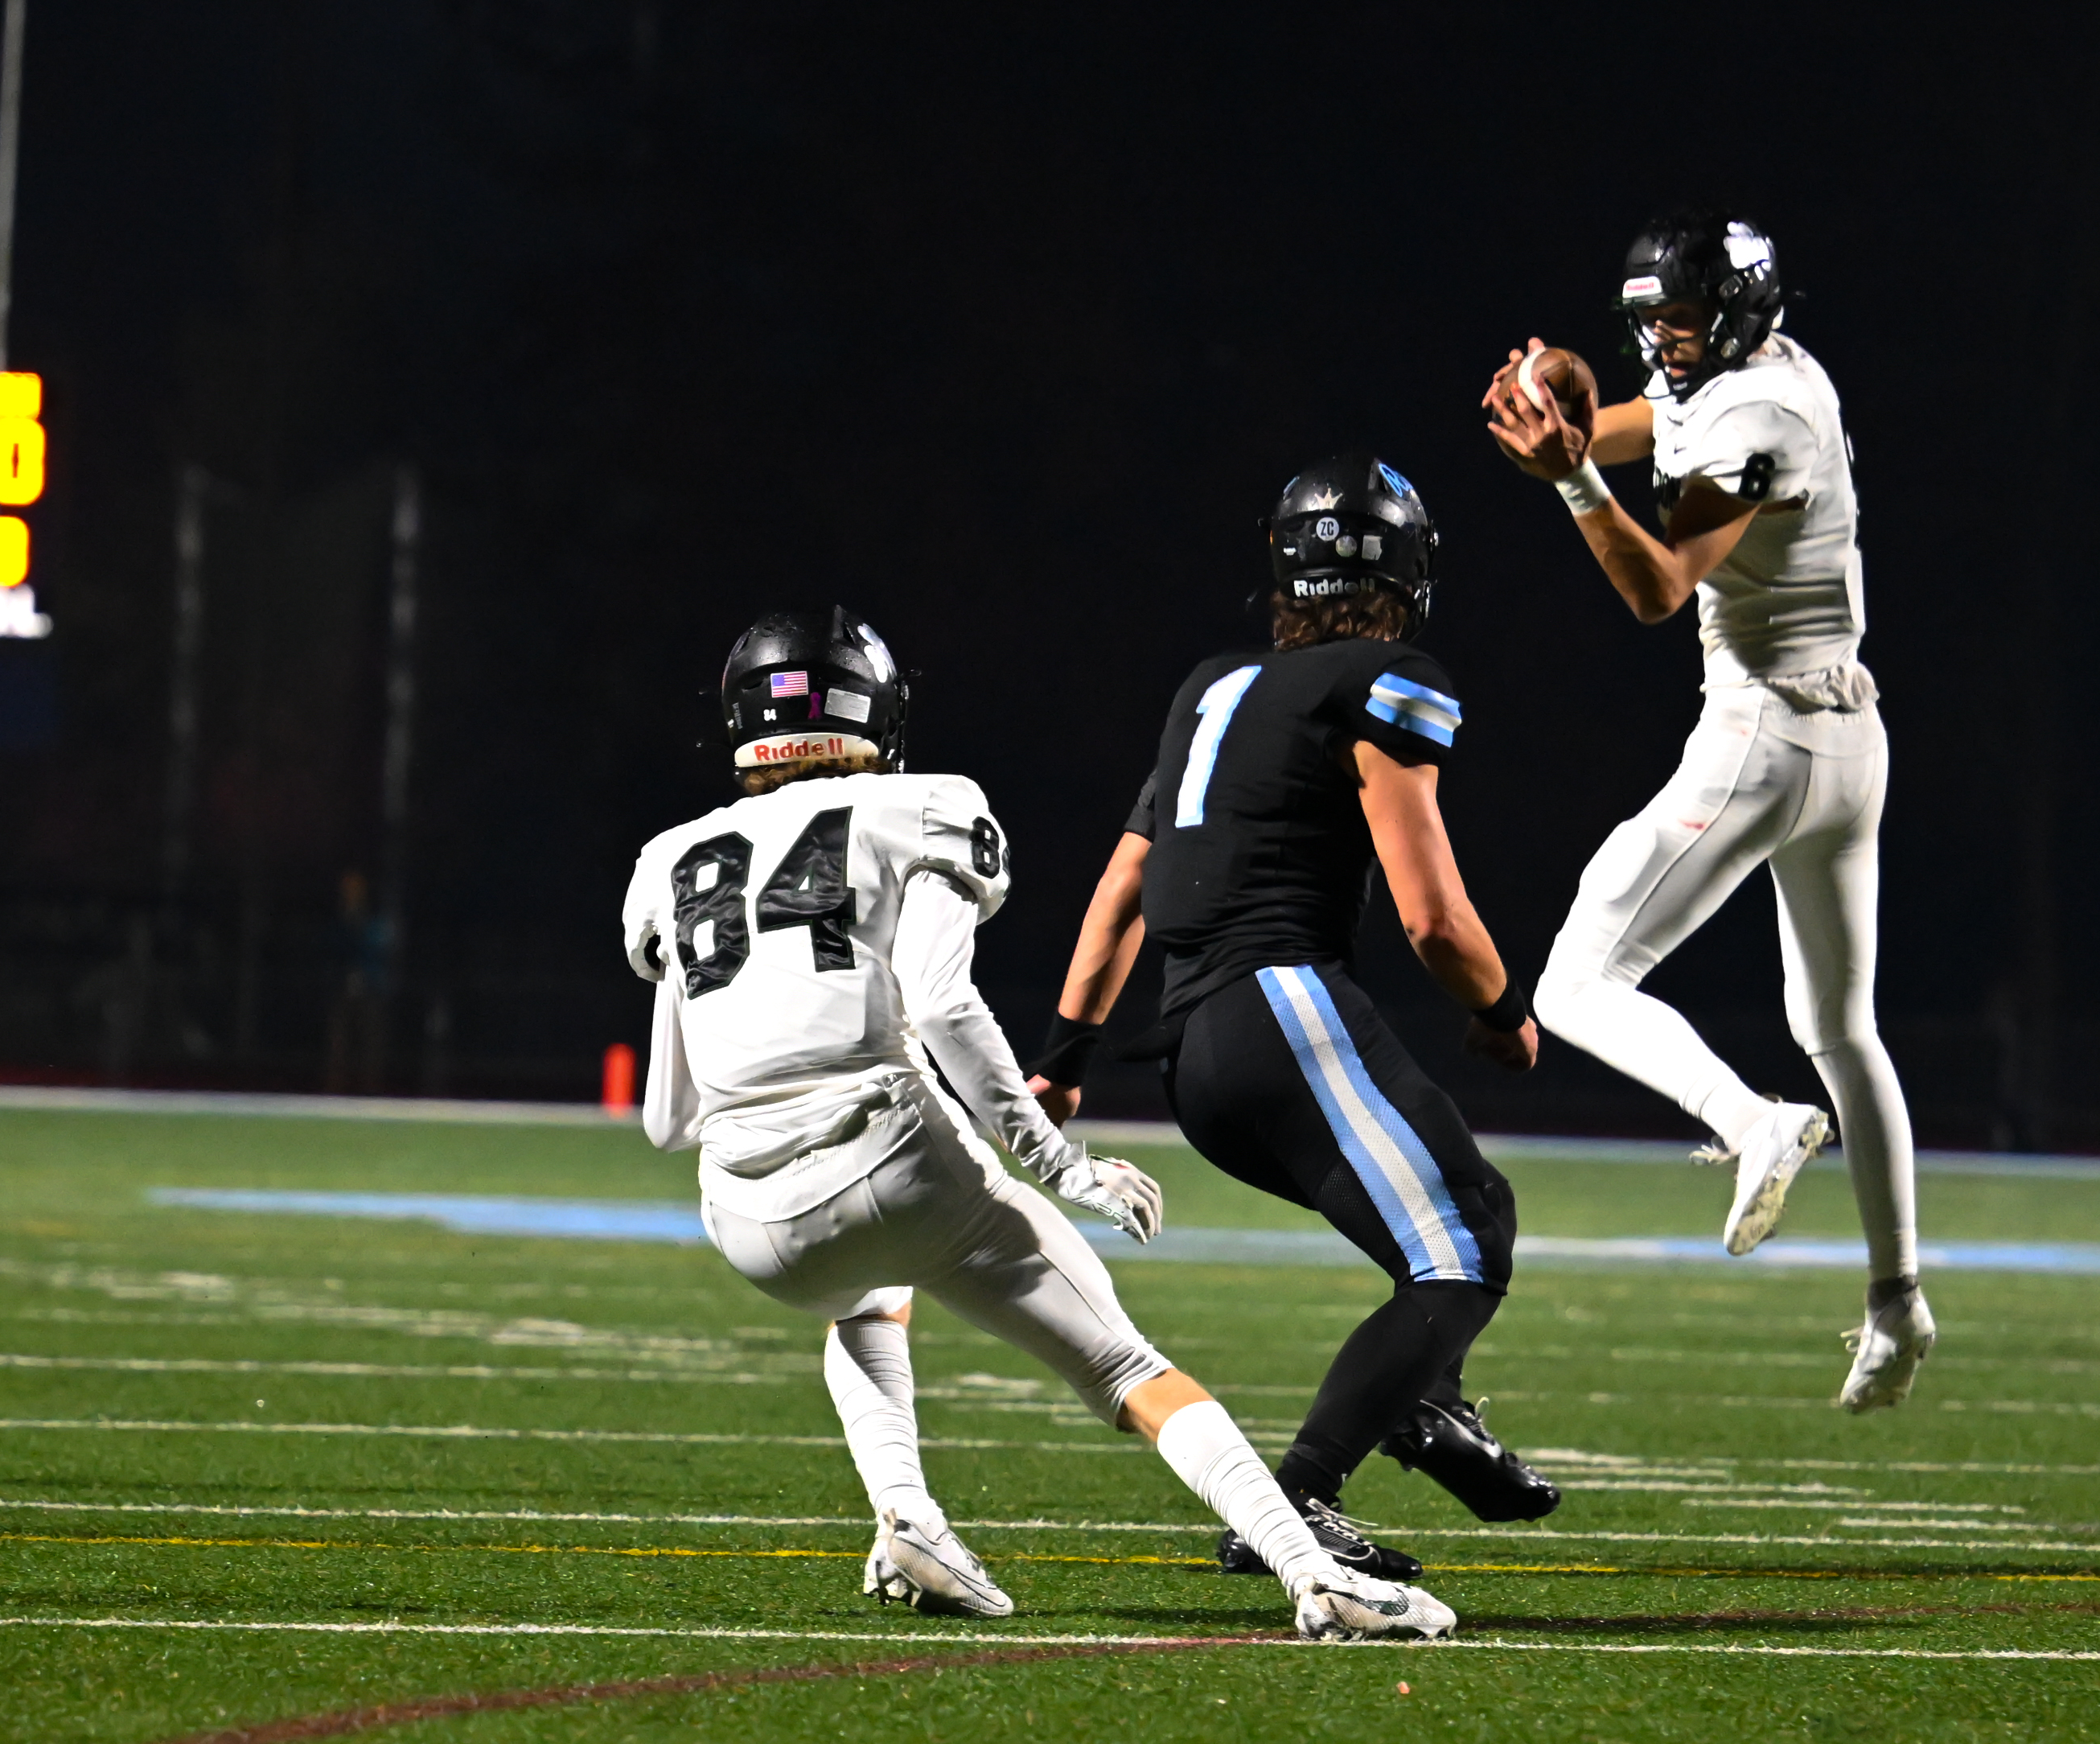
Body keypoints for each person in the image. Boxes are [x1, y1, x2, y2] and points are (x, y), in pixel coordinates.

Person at [619, 605, 1454, 1641]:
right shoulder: (923, 804)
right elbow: (939, 1004)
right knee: (1122, 1363)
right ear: (874, 712)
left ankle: (909, 1518)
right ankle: (1312, 1573)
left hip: (743, 1217)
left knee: (866, 1292)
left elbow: (667, 1119)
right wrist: (1064, 1164)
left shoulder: (669, 858)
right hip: (885, 1153)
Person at [1026, 456, 1556, 1581]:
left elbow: (1120, 889)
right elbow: (1430, 915)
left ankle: (1426, 1405)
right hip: (1279, 1005)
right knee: (1458, 1245)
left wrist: (1065, 1060)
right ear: (1409, 569)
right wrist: (1503, 1011)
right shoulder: (1388, 678)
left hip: (1193, 1055)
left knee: (1453, 1222)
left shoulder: (1210, 691)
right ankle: (1300, 1497)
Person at [1484, 210, 1930, 1412]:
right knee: (1842, 1030)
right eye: (1646, 322)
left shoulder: (1759, 412)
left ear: (1731, 312)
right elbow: (1645, 427)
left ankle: (1749, 1120)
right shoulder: (1752, 370)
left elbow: (1655, 586)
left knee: (1573, 983)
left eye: (1678, 320)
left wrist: (1569, 474)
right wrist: (1570, 423)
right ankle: (1896, 1303)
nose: (1661, 343)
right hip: (1847, 740)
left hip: (1764, 737)